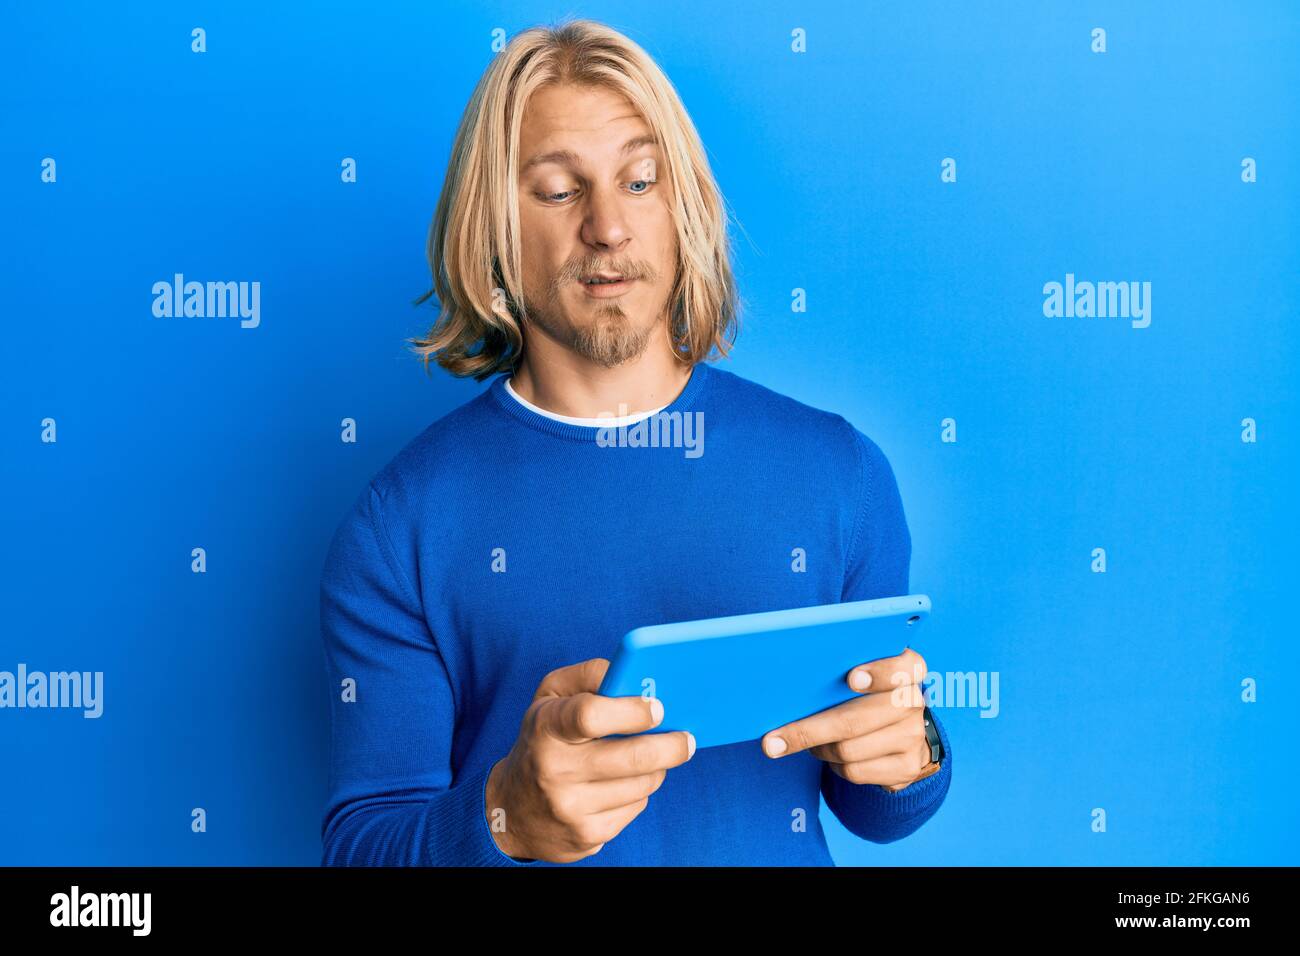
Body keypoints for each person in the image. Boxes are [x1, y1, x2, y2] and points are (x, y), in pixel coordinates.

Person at [319, 18, 950, 866]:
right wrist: (503, 817)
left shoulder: (840, 475)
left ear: (681, 207)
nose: (608, 227)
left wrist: (915, 756)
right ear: (494, 232)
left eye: (641, 180)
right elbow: (365, 845)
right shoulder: (400, 526)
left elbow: (877, 809)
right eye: (557, 191)